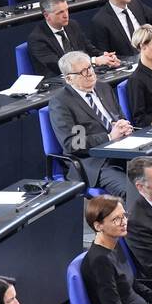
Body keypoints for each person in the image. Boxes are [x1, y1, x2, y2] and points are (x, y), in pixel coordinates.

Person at [49, 51, 134, 198]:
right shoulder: (62, 103)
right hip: (96, 163)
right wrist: (109, 137)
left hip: (123, 151)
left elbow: (118, 116)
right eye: (83, 71)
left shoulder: (103, 88)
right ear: (69, 79)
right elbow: (74, 143)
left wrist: (123, 125)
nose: (90, 73)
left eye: (90, 67)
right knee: (132, 192)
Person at [26, 0, 118, 76]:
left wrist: (105, 56)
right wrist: (94, 61)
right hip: (59, 82)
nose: (66, 15)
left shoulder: (72, 25)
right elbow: (59, 66)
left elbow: (90, 49)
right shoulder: (37, 38)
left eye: (66, 10)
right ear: (47, 15)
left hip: (82, 75)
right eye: (60, 12)